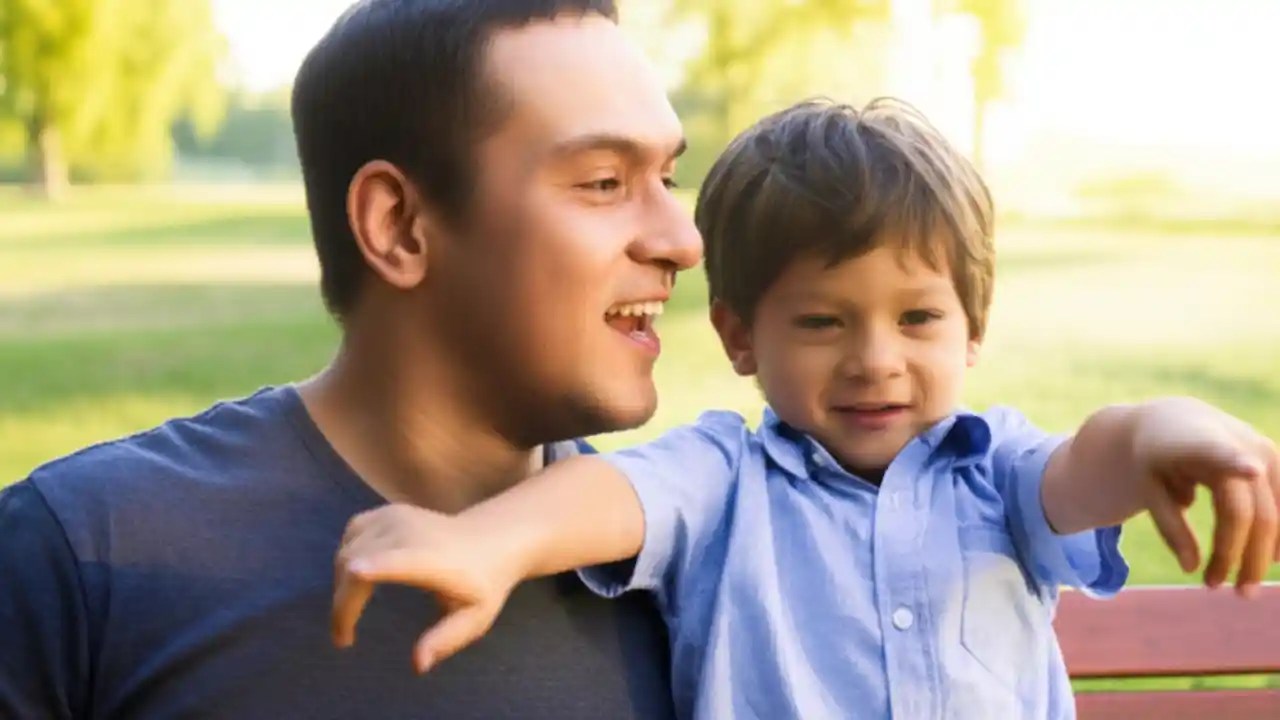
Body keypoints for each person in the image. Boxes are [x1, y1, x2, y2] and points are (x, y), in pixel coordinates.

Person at [332, 99, 1280, 719]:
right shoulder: (724, 479)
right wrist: (489, 542)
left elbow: (1094, 462)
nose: (876, 360)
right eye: (823, 322)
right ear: (743, 338)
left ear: (971, 330)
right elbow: (605, 495)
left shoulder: (997, 473)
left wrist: (1169, 429)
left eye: (918, 318)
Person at [0, 1, 701, 717]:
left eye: (668, 181)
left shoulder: (695, 575)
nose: (684, 240)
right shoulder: (79, 559)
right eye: (605, 182)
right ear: (396, 225)